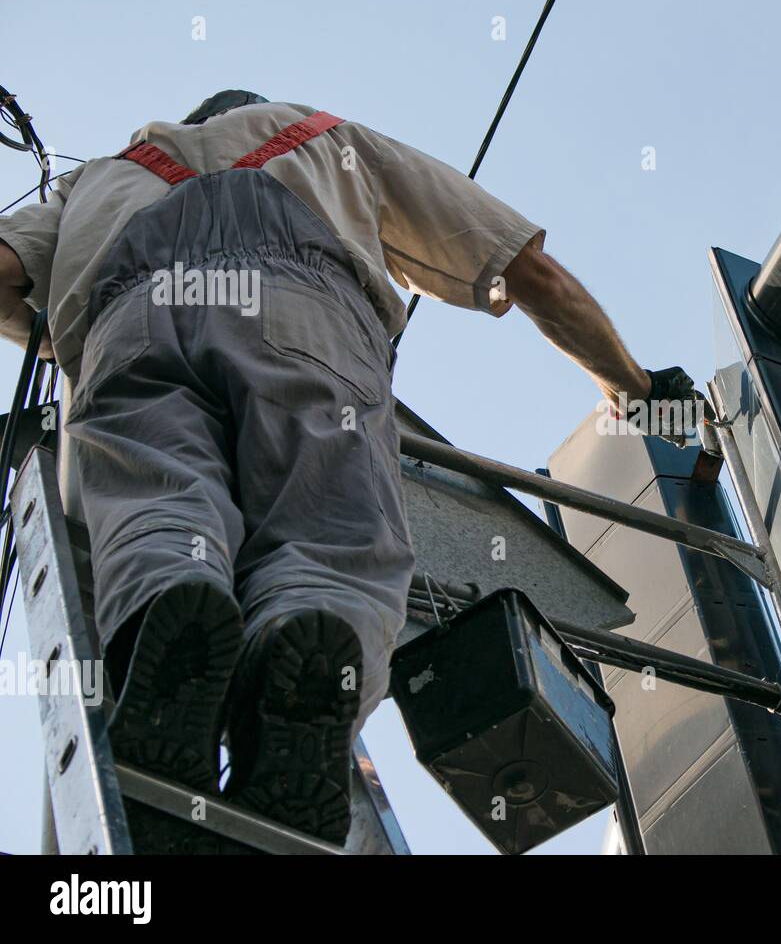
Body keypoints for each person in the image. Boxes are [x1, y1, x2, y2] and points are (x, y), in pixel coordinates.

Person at [0, 90, 702, 843]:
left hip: (129, 322)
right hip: (303, 318)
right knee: (332, 537)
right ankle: (305, 644)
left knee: (158, 504)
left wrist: (57, 335)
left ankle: (172, 598)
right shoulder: (329, 140)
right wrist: (631, 385)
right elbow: (531, 275)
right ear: (258, 108)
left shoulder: (97, 179)